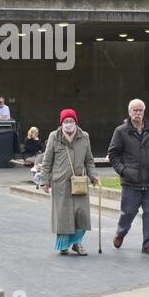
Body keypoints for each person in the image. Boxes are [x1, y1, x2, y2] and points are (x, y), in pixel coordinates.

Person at [108, 98, 149, 255]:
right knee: (128, 212)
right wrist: (123, 170)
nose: (138, 113)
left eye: (140, 110)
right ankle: (120, 233)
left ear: (144, 112)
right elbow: (113, 154)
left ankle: (148, 243)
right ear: (129, 112)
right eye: (135, 110)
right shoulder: (121, 131)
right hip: (130, 181)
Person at [41, 109, 98, 255]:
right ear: (61, 123)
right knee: (63, 216)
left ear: (76, 121)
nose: (68, 124)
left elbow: (89, 161)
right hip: (60, 183)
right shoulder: (54, 136)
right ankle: (64, 245)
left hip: (79, 182)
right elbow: (47, 161)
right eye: (65, 121)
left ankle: (76, 243)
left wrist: (93, 176)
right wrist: (45, 181)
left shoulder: (84, 136)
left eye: (71, 121)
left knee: (82, 215)